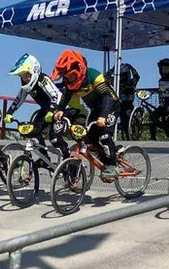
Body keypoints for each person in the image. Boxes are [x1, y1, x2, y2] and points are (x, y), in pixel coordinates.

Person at [51, 50, 122, 178]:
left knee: (105, 136)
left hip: (110, 106)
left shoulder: (94, 76)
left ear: (79, 69)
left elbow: (107, 97)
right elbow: (66, 97)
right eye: (66, 76)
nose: (68, 79)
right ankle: (108, 157)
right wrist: (60, 110)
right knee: (90, 139)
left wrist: (103, 117)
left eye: (71, 76)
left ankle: (113, 166)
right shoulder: (70, 83)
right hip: (96, 109)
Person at [4, 53, 68, 157]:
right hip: (46, 111)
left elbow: (57, 96)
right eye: (21, 76)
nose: (24, 79)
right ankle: (44, 160)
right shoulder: (26, 87)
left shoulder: (43, 79)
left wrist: (52, 111)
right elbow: (19, 99)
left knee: (54, 138)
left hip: (59, 109)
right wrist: (9, 113)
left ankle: (69, 161)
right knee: (33, 132)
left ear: (34, 71)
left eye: (26, 75)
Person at [106, 63, 140, 139]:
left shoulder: (119, 82)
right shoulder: (117, 82)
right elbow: (137, 76)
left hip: (127, 104)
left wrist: (112, 69)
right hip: (120, 104)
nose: (122, 77)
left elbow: (107, 76)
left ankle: (129, 135)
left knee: (126, 120)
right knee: (122, 120)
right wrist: (131, 68)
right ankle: (127, 135)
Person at [151, 58, 169, 140]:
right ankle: (153, 137)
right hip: (163, 104)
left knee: (167, 118)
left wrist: (166, 91)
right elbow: (160, 93)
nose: (164, 71)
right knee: (152, 116)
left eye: (167, 69)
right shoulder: (160, 80)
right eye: (163, 69)